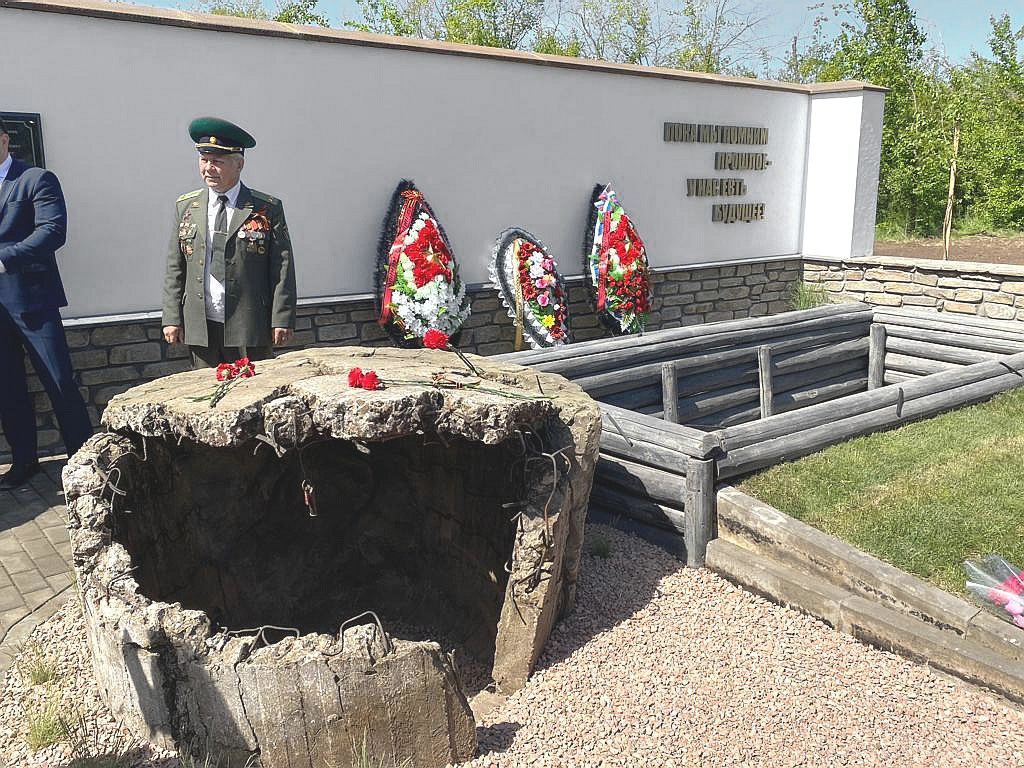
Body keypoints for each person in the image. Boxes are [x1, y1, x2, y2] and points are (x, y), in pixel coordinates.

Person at [0, 119, 92, 488]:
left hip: (33, 299)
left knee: (58, 380)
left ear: (4, 139)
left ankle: (84, 458)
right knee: (8, 387)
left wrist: (6, 258)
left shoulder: (36, 179)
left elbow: (52, 231)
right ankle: (25, 462)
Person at [162, 117, 296, 368]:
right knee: (204, 393)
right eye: (204, 160)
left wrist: (282, 318)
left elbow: (282, 267)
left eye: (217, 162)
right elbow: (175, 266)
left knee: (252, 392)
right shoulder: (186, 206)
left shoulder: (266, 208)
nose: (209, 169)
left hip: (249, 321)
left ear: (239, 164)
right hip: (201, 324)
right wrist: (171, 317)